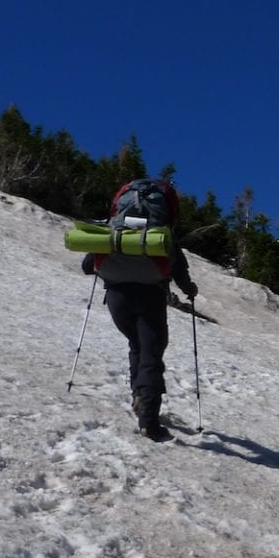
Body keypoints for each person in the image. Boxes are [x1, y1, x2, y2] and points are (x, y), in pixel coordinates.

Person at [81, 178, 198, 441]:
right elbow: (178, 266)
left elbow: (88, 265)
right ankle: (149, 421)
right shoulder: (161, 232)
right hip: (150, 295)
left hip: (116, 295)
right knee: (151, 354)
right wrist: (189, 289)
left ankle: (139, 395)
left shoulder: (115, 228)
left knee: (136, 344)